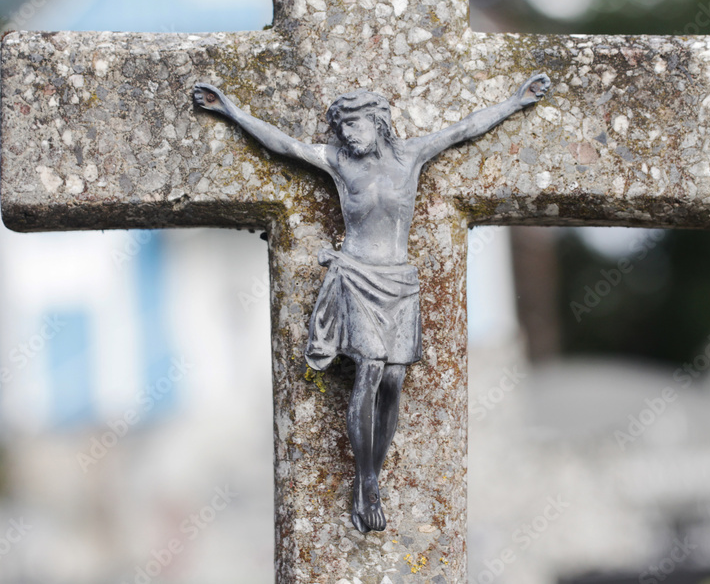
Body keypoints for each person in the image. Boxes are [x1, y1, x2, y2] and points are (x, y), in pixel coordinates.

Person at [193, 73, 550, 533]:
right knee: (371, 368)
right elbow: (283, 145)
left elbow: (466, 128)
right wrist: (232, 111)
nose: (347, 136)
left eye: (354, 127)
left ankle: (373, 469)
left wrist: (515, 102)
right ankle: (366, 482)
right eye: (342, 130)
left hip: (399, 282)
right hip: (357, 276)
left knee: (395, 380)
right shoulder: (339, 163)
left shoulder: (411, 155)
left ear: (378, 123)